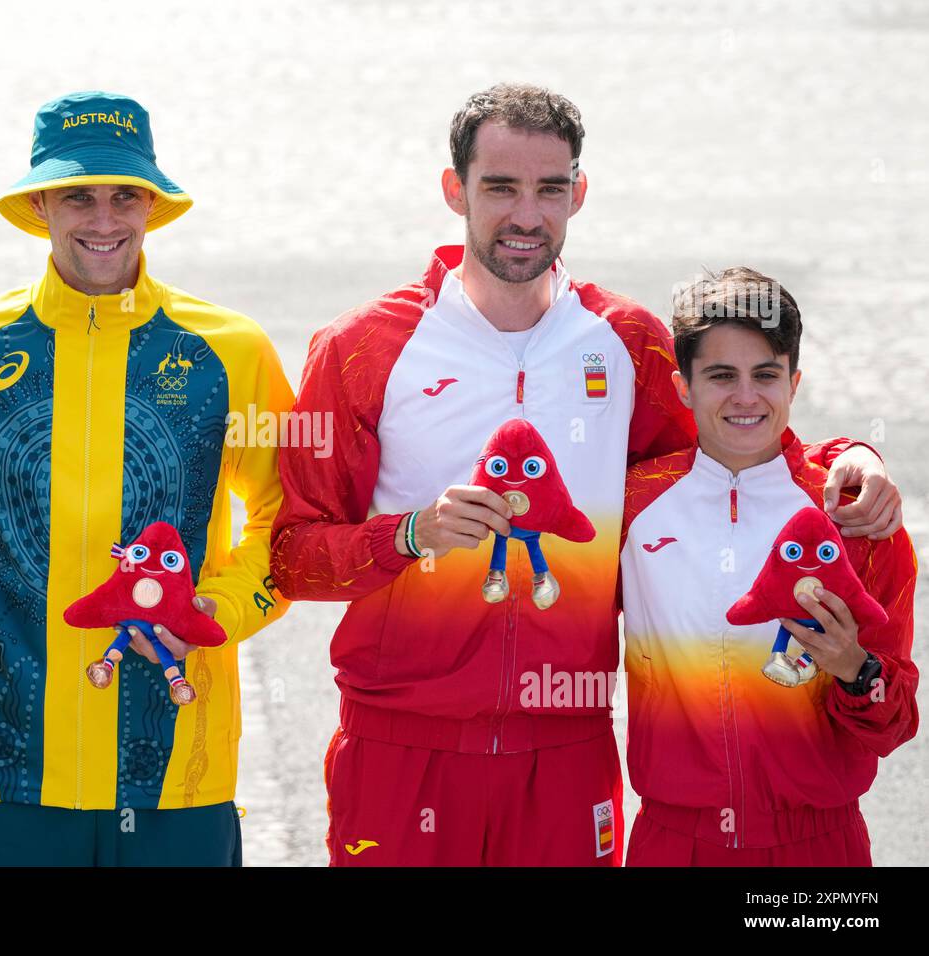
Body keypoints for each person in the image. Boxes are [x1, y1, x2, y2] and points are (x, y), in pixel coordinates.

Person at [270, 83, 902, 866]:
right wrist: (410, 533)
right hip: (401, 749)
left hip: (566, 754)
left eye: (550, 188)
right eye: (500, 187)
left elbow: (735, 451)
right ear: (453, 188)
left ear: (580, 192)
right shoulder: (361, 349)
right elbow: (291, 557)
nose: (526, 215)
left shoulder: (628, 344)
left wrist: (850, 454)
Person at [0, 90, 293, 866]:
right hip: (9, 770)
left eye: (125, 195)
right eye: (78, 194)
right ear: (41, 205)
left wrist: (214, 611)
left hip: (181, 766)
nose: (104, 217)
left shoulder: (230, 351)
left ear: (152, 203)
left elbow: (289, 521)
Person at [620, 268, 917, 866]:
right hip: (675, 842)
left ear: (795, 381)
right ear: (683, 387)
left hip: (819, 846)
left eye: (766, 375)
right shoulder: (631, 506)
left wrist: (854, 669)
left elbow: (896, 721)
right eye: (721, 376)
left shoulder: (854, 517)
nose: (746, 397)